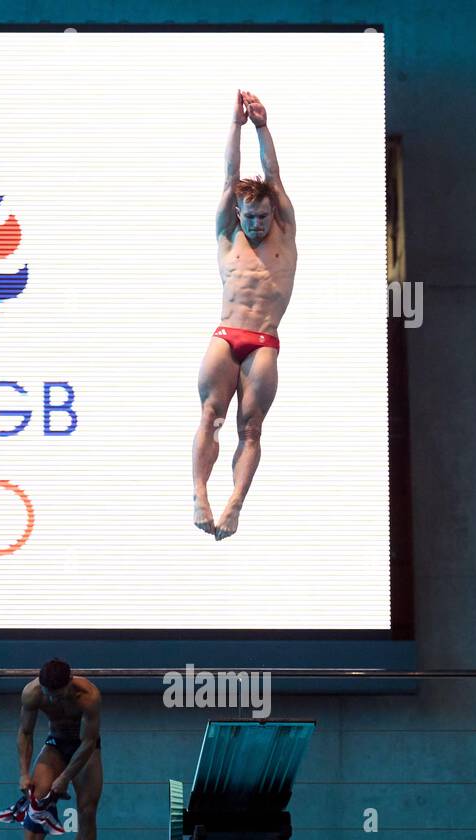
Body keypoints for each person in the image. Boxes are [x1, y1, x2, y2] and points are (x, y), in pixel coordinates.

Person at [193, 89, 298, 540]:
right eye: (250, 217)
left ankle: (234, 503)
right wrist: (234, 126)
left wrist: (261, 126)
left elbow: (272, 174)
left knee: (250, 428)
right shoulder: (228, 234)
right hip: (226, 335)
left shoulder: (283, 232)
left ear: (273, 212)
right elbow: (229, 176)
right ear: (239, 213)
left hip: (263, 341)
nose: (257, 224)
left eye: (263, 217)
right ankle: (200, 495)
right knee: (210, 416)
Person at [16, 658, 103, 840]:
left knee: (87, 811)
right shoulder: (32, 693)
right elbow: (25, 732)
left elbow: (88, 742)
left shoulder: (89, 696)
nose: (53, 700)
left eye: (58, 695)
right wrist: (23, 773)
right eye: (49, 695)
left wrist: (64, 778)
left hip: (85, 748)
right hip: (55, 744)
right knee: (36, 805)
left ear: (70, 681)